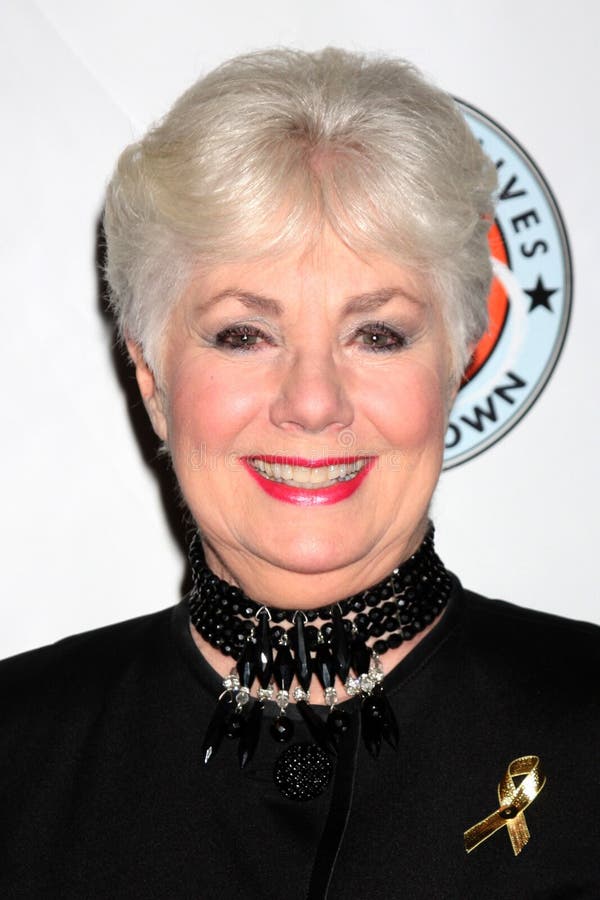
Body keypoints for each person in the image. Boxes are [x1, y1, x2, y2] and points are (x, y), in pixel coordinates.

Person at [1, 47, 598, 899]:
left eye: (377, 334)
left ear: (456, 368)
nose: (313, 402)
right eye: (244, 335)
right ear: (152, 382)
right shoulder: (18, 753)